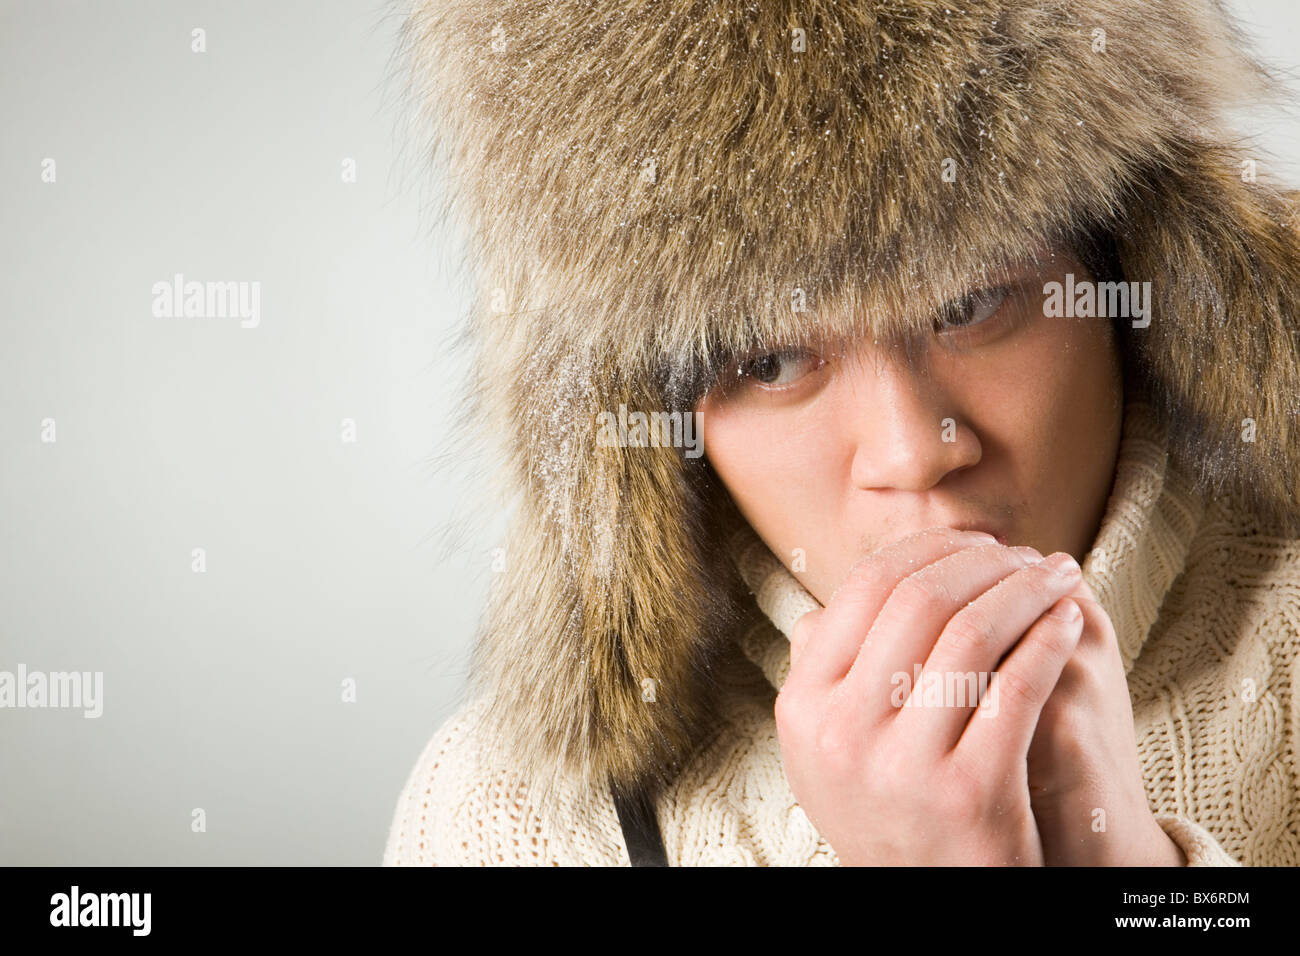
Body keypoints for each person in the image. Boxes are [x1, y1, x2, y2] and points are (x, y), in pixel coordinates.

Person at [383, 0, 1300, 865]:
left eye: (974, 303)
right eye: (774, 363)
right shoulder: (509, 817)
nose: (914, 450)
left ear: (1130, 267)